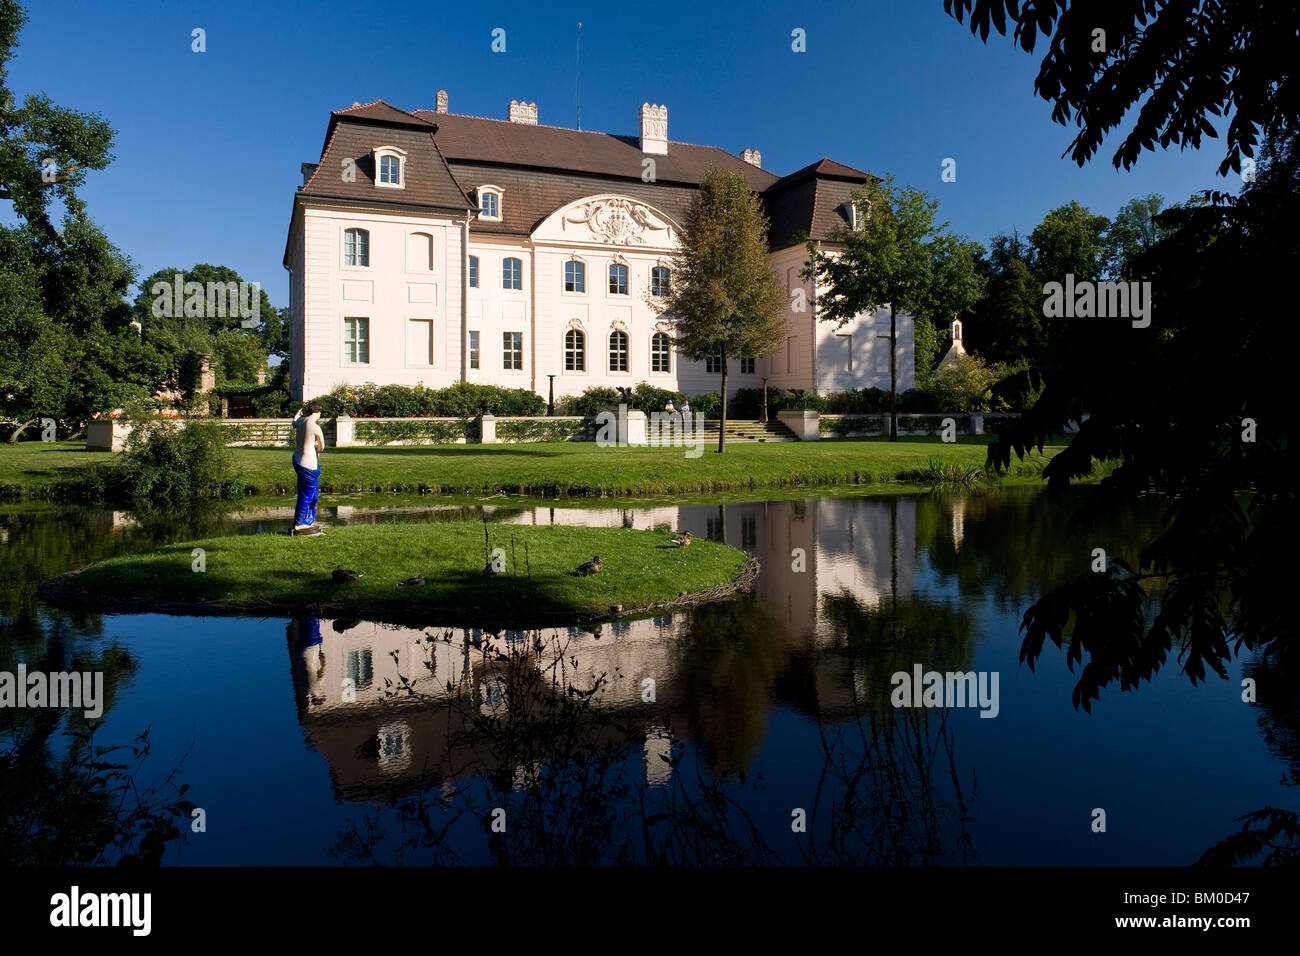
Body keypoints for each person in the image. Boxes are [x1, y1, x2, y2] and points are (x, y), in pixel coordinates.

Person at [292, 402, 325, 535]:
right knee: (308, 494)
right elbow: (322, 447)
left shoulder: (300, 421)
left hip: (297, 460)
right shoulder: (315, 427)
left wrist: (296, 415)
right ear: (319, 412)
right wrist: (317, 452)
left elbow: (294, 422)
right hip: (308, 463)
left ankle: (303, 521)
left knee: (303, 492)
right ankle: (300, 523)